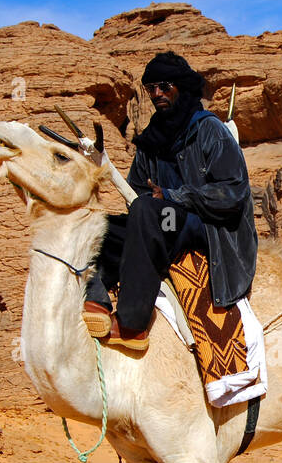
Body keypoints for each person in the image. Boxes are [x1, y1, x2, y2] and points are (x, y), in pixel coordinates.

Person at [83, 52, 258, 351]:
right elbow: (136, 195)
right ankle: (96, 299)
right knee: (101, 228)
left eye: (164, 86)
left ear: (182, 87)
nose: (156, 94)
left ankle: (131, 325)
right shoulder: (152, 139)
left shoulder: (209, 131)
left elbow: (233, 194)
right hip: (165, 221)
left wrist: (174, 196)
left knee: (151, 213)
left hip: (211, 226)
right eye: (151, 88)